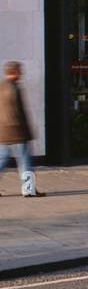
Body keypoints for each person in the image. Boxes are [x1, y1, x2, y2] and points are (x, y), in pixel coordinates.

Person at [0, 61, 43, 198]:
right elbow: (16, 113)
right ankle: (29, 190)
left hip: (3, 132)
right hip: (16, 132)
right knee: (25, 161)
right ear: (15, 72)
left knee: (2, 160)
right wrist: (24, 131)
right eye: (20, 70)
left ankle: (29, 189)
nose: (22, 73)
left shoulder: (2, 86)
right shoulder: (14, 88)